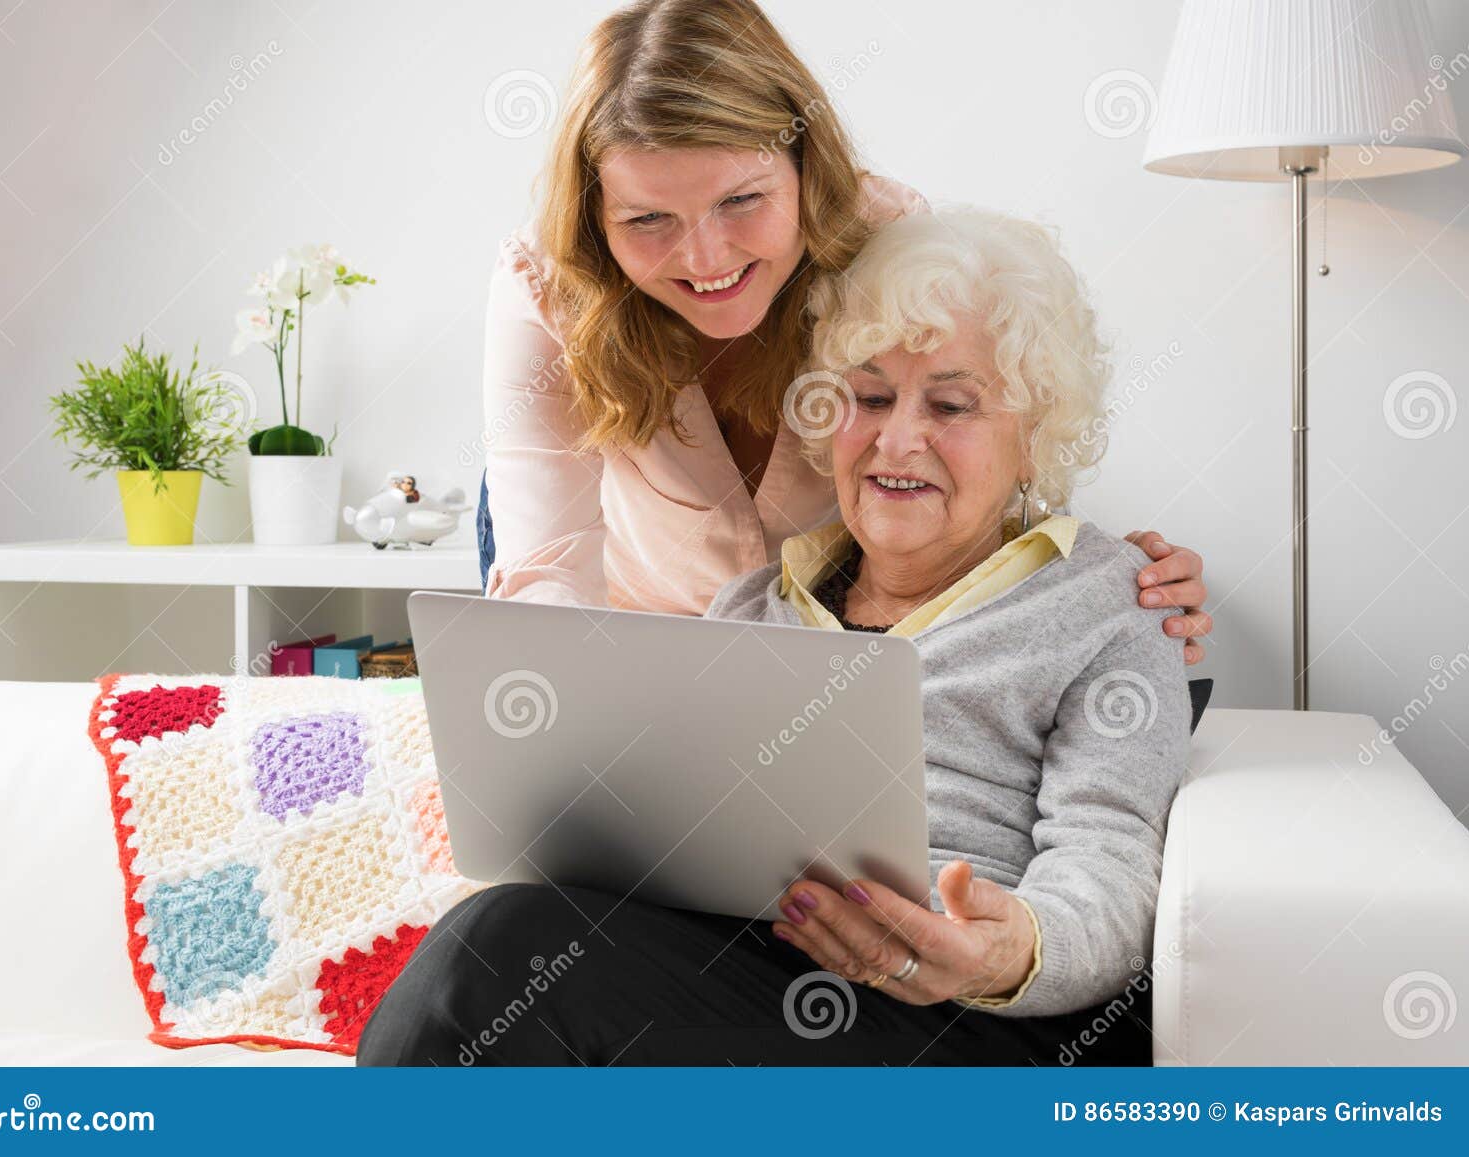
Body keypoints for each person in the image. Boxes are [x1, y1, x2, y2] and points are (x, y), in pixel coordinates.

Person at [359, 206, 1189, 1067]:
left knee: (494, 955)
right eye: (868, 397)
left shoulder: (1114, 603)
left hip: (969, 1017)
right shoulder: (752, 610)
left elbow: (1115, 862)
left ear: (1033, 438)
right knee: (499, 942)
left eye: (951, 403)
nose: (897, 439)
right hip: (751, 985)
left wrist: (1011, 946)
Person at [472, 0, 1212, 663]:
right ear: (599, 223)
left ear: (803, 164)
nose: (705, 259)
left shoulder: (885, 240)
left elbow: (967, 440)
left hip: (821, 645)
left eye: (742, 200)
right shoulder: (549, 285)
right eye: (647, 219)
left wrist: (1104, 584)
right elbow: (548, 577)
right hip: (632, 623)